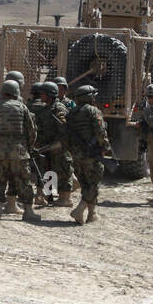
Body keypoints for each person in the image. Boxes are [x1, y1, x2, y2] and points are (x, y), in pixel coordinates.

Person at [0, 80, 40, 222]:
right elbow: (32, 131)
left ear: (3, 92)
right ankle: (28, 211)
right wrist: (29, 147)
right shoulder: (22, 107)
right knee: (23, 181)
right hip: (20, 152)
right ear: (16, 92)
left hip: (0, 151)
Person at [64, 85, 108, 224]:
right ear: (89, 97)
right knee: (93, 183)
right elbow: (100, 132)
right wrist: (105, 146)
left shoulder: (71, 113)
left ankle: (91, 214)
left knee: (85, 183)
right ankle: (79, 210)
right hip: (92, 153)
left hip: (76, 154)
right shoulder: (93, 111)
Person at [34, 81, 73, 208]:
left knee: (63, 172)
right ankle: (47, 195)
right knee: (48, 171)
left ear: (50, 94)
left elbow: (65, 130)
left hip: (59, 147)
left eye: (43, 94)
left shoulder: (58, 108)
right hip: (49, 147)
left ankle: (65, 198)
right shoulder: (47, 108)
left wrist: (57, 145)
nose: (41, 96)